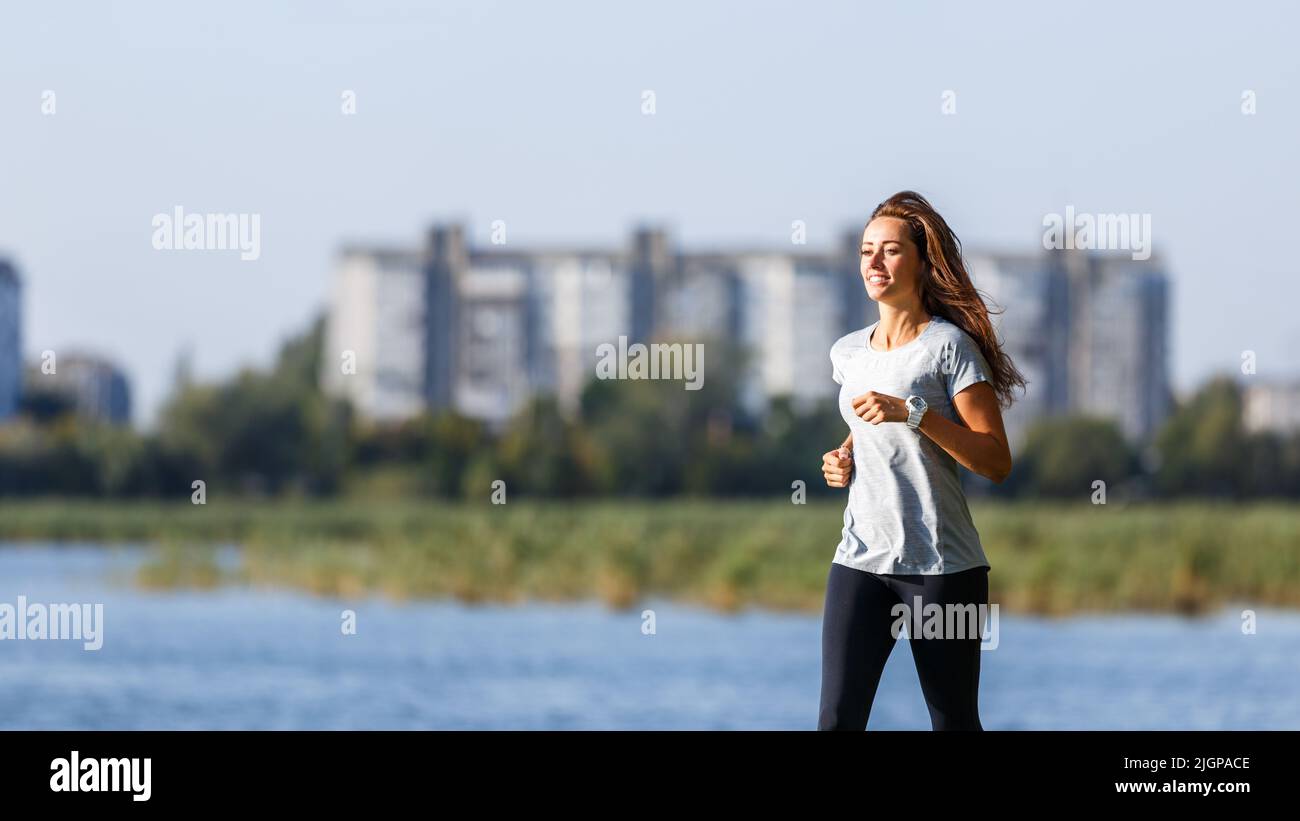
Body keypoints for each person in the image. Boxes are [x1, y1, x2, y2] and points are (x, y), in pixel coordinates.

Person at [818, 190, 1026, 731]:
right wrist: (843, 454)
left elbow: (996, 460)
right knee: (836, 719)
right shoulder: (848, 352)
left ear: (921, 262)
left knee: (953, 721)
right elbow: (867, 423)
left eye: (890, 250)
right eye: (867, 251)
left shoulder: (949, 347)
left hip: (942, 568)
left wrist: (914, 415)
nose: (874, 262)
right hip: (861, 560)